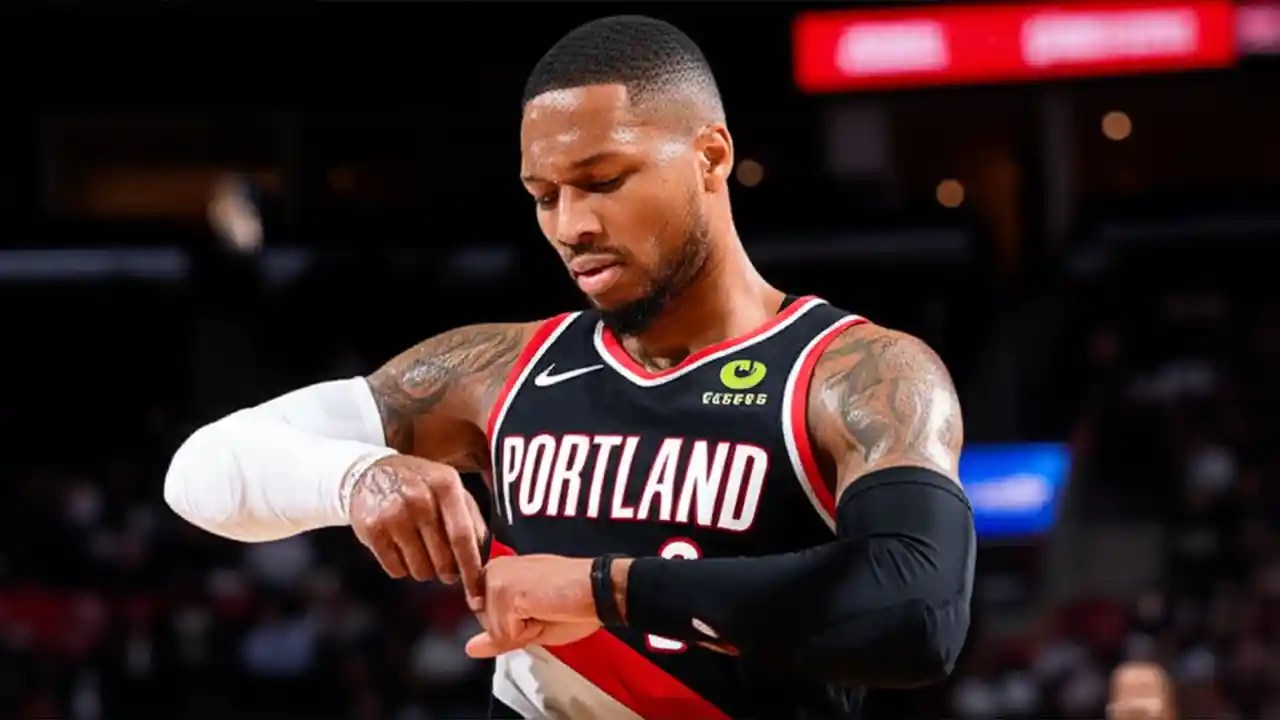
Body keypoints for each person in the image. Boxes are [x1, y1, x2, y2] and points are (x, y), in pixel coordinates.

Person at [164, 15, 975, 719]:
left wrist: (600, 590)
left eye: (603, 181)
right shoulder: (496, 369)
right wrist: (360, 479)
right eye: (543, 194)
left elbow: (918, 611)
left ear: (711, 155)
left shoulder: (853, 371)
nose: (570, 224)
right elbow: (201, 470)